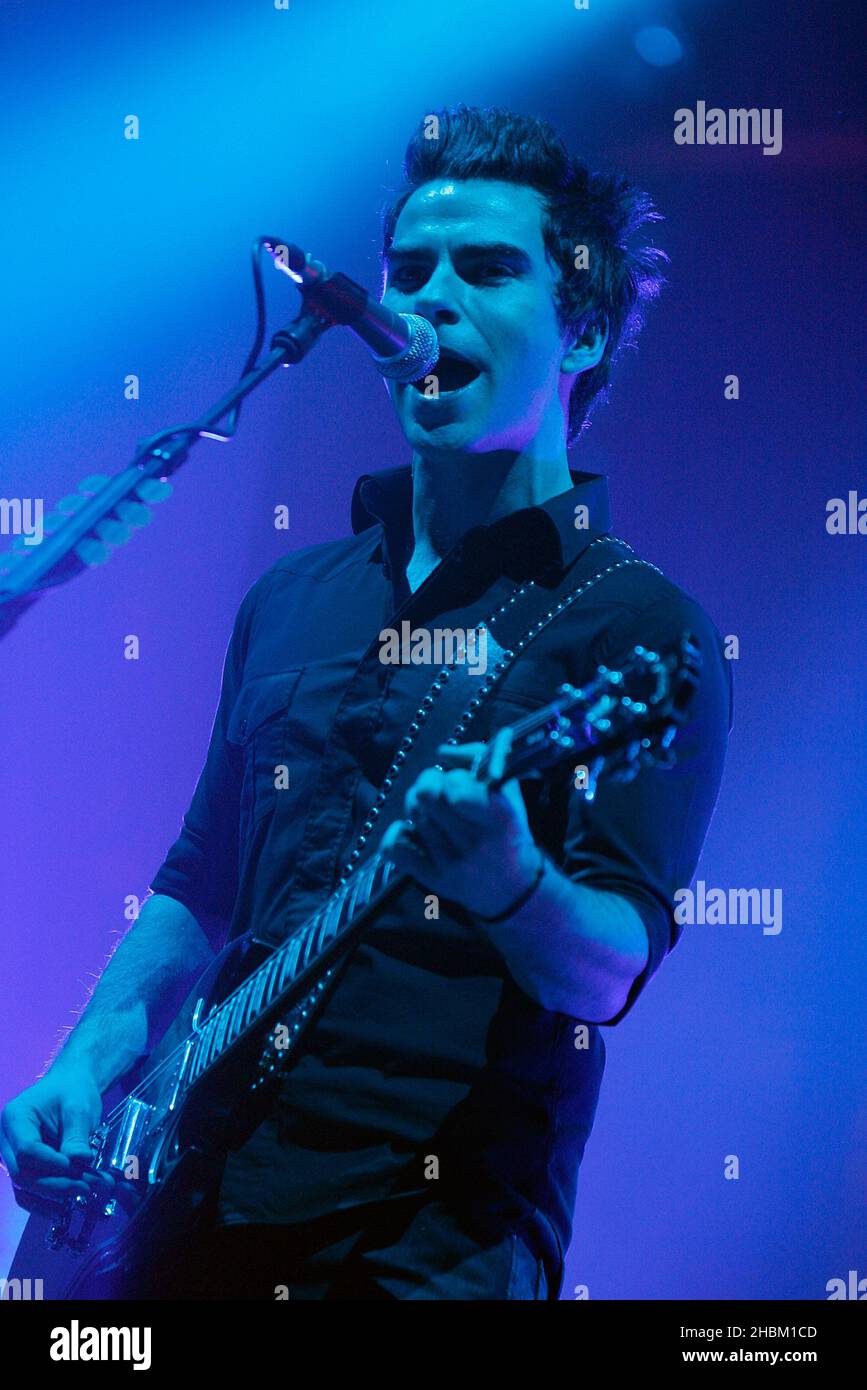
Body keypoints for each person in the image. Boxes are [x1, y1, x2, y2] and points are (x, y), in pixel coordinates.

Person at [0, 104, 732, 1300]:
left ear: (584, 328)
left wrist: (508, 878)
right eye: (408, 272)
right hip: (181, 1207)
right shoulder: (295, 596)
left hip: (424, 1240)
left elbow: (606, 972)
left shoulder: (638, 633)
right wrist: (87, 1064)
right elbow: (201, 878)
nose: (429, 299)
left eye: (488, 269)